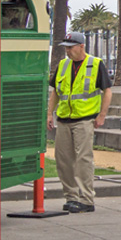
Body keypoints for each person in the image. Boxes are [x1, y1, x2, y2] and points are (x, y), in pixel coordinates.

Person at [47, 32, 112, 213]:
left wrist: (102, 115)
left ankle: (86, 199)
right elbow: (55, 92)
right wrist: (49, 114)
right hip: (64, 119)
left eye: (70, 47)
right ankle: (71, 197)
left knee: (83, 160)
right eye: (66, 47)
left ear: (81, 46)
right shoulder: (63, 65)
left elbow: (107, 91)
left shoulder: (95, 64)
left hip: (84, 120)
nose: (67, 50)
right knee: (63, 160)